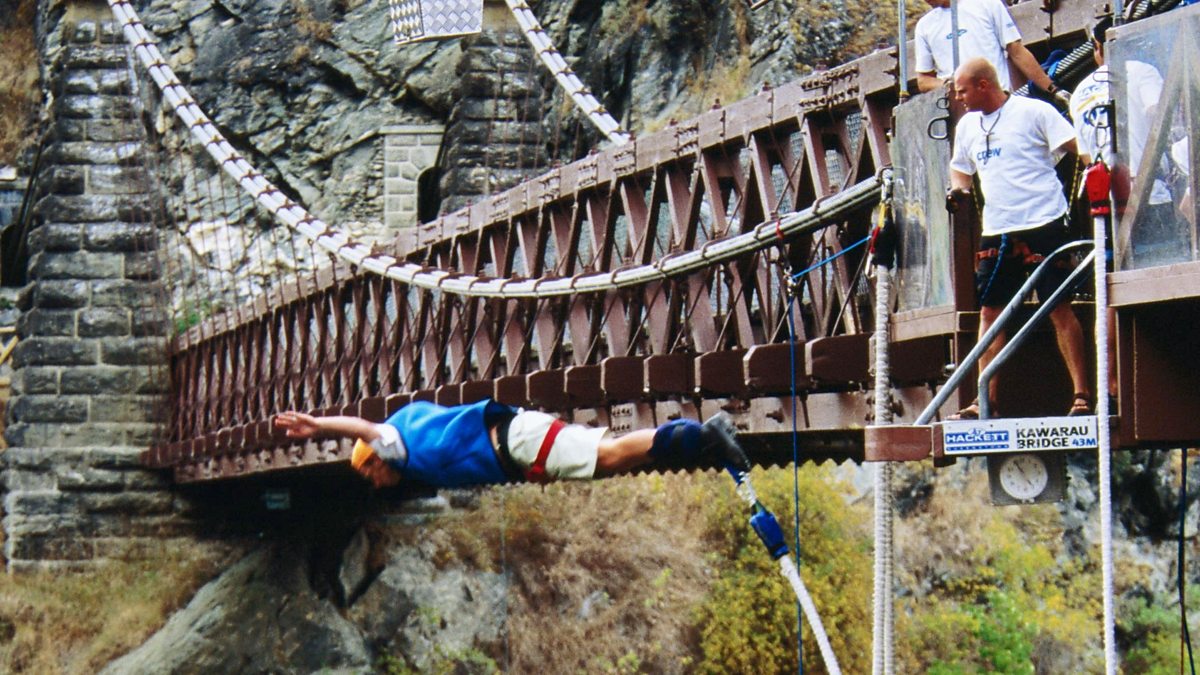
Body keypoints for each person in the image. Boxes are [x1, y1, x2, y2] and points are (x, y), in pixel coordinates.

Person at [947, 57, 1090, 419]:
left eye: (962, 90)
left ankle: (1081, 395)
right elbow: (960, 168)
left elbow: (1077, 146)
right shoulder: (967, 126)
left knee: (1058, 307)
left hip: (1044, 222)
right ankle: (985, 399)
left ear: (983, 85)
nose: (958, 97)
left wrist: (1099, 167)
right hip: (998, 229)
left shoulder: (1033, 112)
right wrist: (958, 190)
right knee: (990, 313)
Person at [274, 399, 750, 489]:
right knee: (616, 461)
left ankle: (706, 432)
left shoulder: (399, 445)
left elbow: (366, 430)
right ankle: (698, 440)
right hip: (520, 444)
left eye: (368, 472)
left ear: (379, 458)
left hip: (520, 442)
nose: (375, 483)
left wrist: (321, 426)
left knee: (610, 454)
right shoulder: (414, 456)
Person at [1069, 15, 1181, 264]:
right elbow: (1159, 116)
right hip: (1150, 191)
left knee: (1113, 271)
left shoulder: (1078, 93)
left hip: (1104, 201)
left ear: (1097, 47)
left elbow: (1086, 155)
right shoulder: (1142, 71)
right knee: (1160, 265)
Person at [914, 0, 1069, 105]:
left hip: (1000, 101)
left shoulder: (987, 4)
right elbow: (923, 80)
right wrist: (947, 84)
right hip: (960, 109)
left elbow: (1016, 51)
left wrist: (1053, 90)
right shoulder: (924, 26)